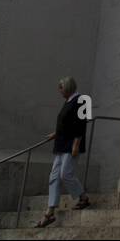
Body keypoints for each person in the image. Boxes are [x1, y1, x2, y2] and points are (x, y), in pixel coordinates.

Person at [35, 76, 90, 228]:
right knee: (54, 177)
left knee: (65, 173)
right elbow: (66, 123)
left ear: (67, 88)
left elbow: (80, 124)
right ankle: (49, 212)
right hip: (61, 143)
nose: (59, 91)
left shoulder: (80, 100)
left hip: (71, 143)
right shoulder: (68, 101)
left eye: (61, 88)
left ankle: (83, 197)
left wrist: (76, 144)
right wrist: (55, 134)